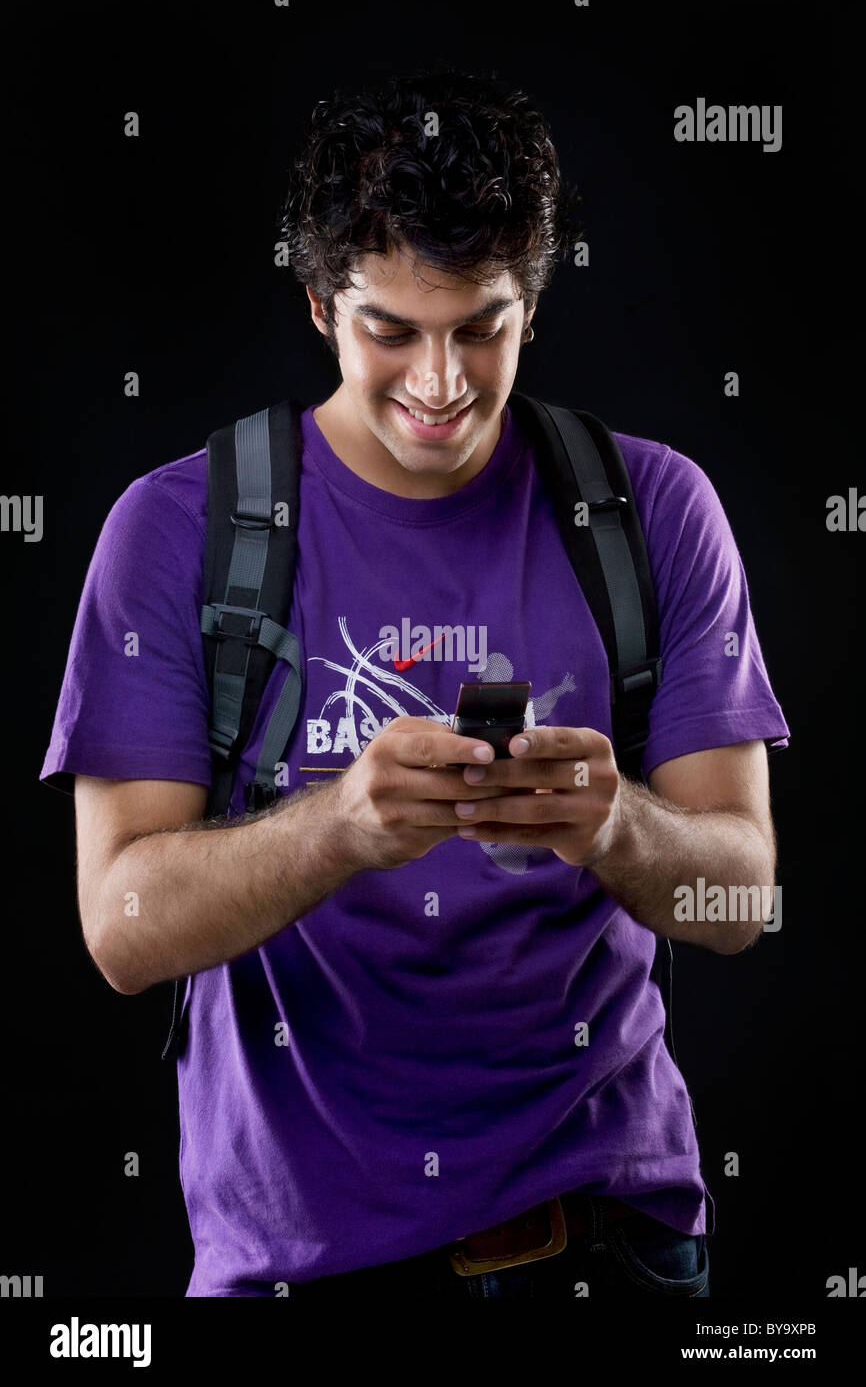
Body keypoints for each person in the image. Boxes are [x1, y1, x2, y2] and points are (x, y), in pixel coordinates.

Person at [39, 66, 789, 1299]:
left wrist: (611, 822)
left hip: (607, 1240)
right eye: (391, 329)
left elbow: (741, 898)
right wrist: (339, 826)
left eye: (479, 327)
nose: (439, 384)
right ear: (320, 303)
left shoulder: (653, 511)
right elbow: (121, 933)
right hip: (301, 1265)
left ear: (532, 304)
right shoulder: (177, 529)